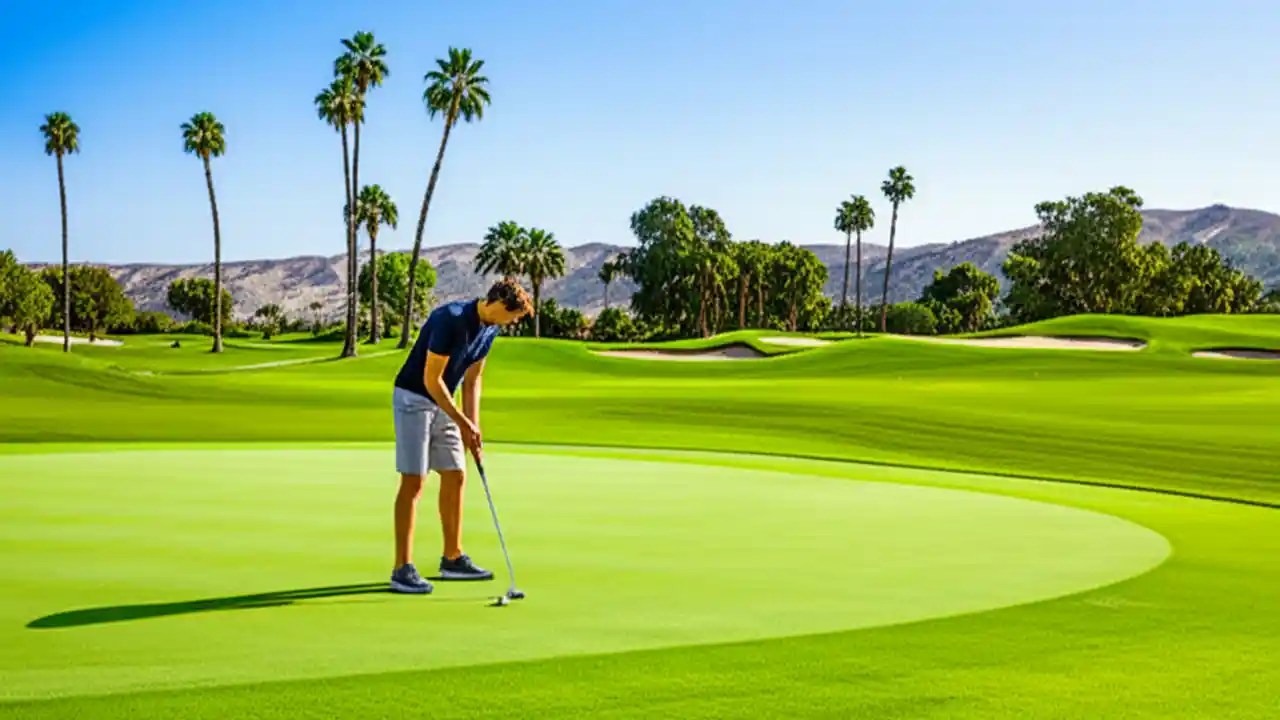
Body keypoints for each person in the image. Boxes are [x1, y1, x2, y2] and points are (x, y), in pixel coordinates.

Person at [389, 278, 533, 594]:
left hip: (445, 401)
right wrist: (462, 421)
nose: (514, 323)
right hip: (414, 398)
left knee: (456, 475)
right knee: (414, 480)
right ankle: (402, 568)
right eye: (514, 316)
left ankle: (452, 558)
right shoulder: (450, 319)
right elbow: (431, 379)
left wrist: (473, 428)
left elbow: (472, 381)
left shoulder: (491, 330)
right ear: (498, 305)